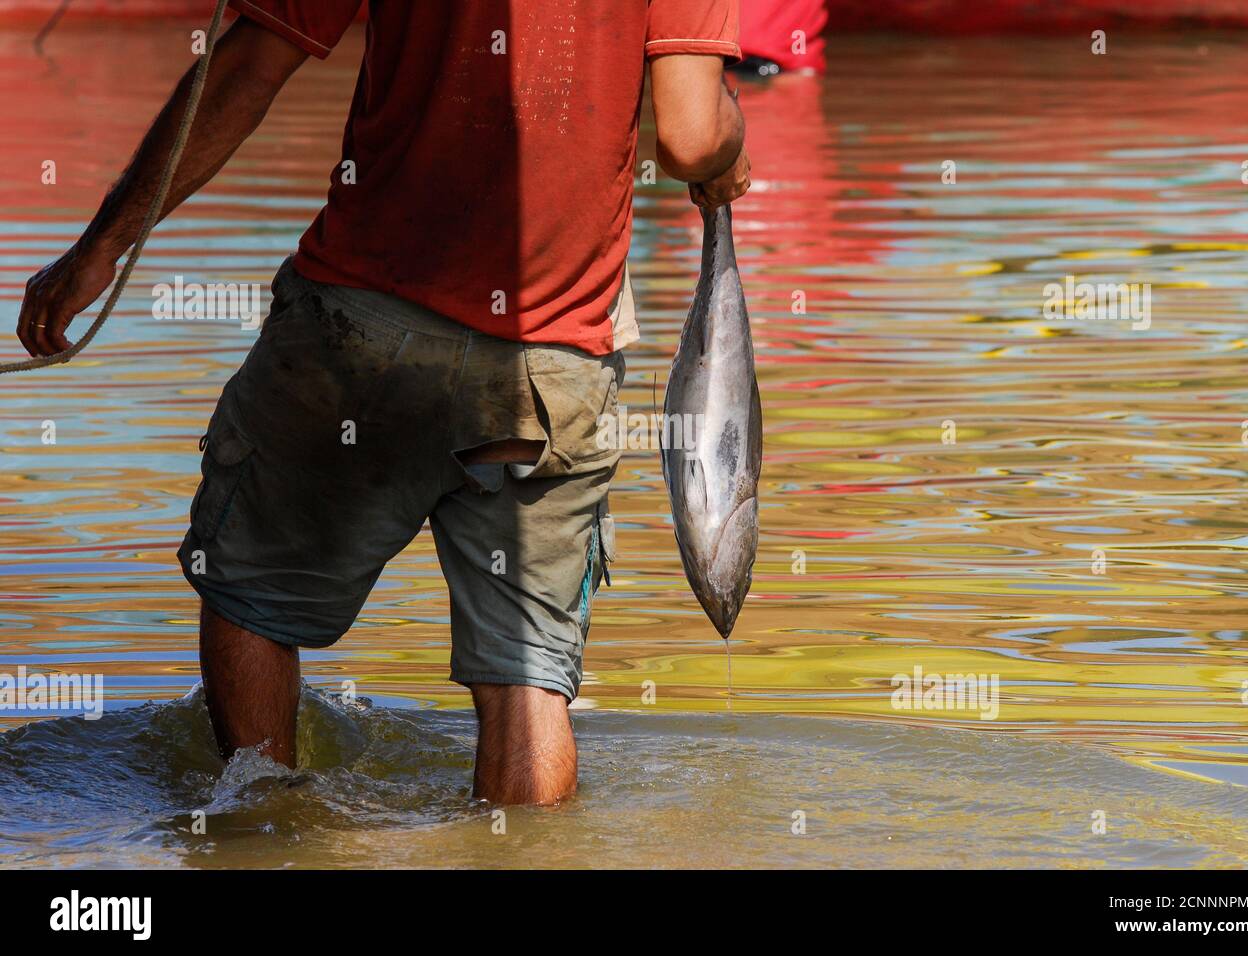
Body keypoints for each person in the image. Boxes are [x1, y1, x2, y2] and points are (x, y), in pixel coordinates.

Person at [14, 0, 751, 805]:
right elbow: (688, 137)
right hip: (552, 366)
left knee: (253, 599)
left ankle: (265, 834)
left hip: (358, 331)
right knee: (527, 679)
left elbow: (250, 65)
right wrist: (730, 141)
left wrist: (99, 251)